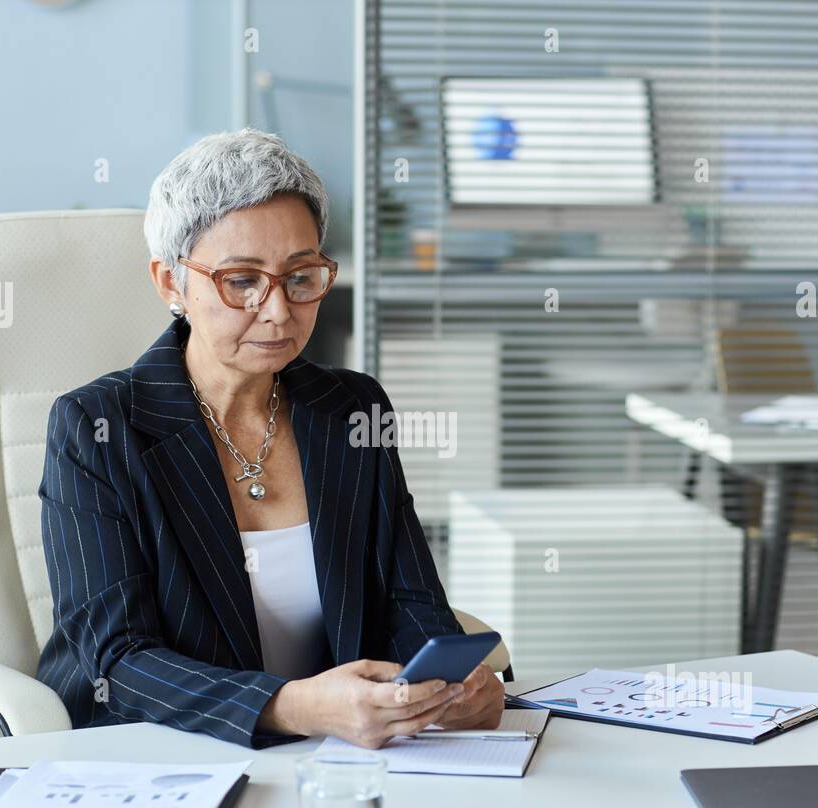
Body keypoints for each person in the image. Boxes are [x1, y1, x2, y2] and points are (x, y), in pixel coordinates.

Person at [36, 129, 503, 749]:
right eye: (241, 281)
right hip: (155, 754)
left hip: (335, 757)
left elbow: (408, 598)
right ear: (171, 283)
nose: (278, 310)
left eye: (301, 276)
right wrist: (293, 706)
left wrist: (458, 685)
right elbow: (118, 664)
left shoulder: (352, 409)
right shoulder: (94, 428)